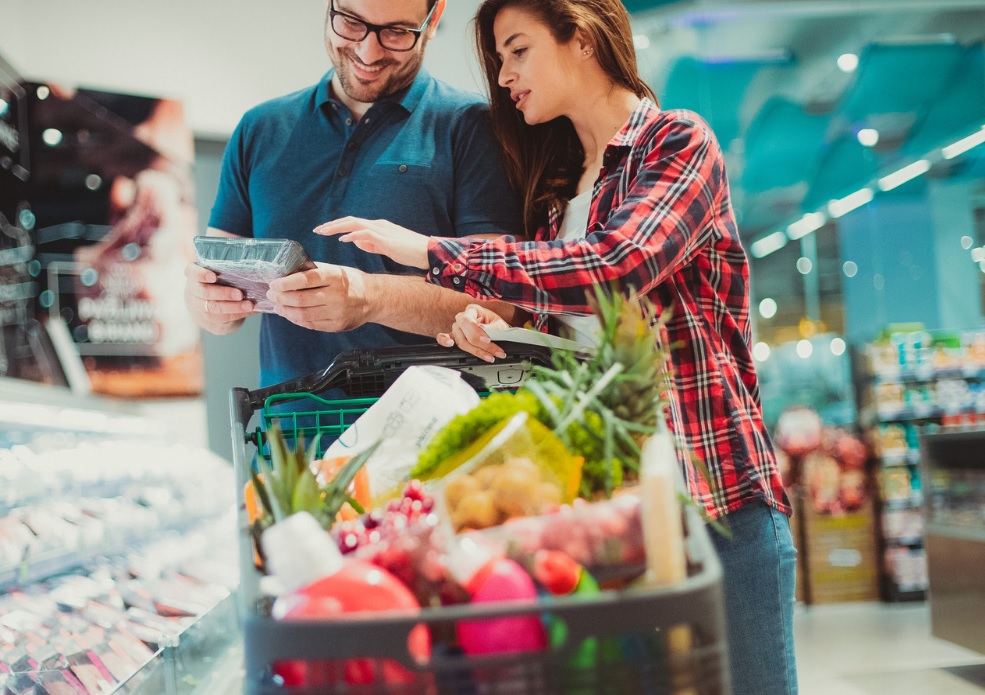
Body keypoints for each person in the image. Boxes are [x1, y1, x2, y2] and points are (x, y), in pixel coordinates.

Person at [314, 0, 797, 692]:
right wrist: (498, 332)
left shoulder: (675, 144)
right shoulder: (556, 198)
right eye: (498, 60)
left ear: (582, 38)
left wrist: (431, 252)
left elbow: (615, 267)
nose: (504, 77)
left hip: (716, 503)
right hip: (608, 520)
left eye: (516, 50)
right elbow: (567, 337)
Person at [186, 0, 524, 388]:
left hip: (432, 433)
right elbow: (211, 279)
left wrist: (368, 297)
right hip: (288, 432)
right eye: (350, 22)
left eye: (396, 32)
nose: (369, 52)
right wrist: (208, 304)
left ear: (435, 18)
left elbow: (503, 301)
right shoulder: (259, 129)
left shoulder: (474, 126)